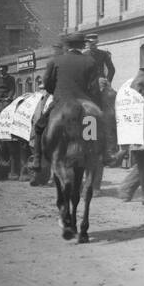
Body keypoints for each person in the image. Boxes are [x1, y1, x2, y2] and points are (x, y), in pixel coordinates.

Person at [29, 32, 102, 183]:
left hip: (61, 102)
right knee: (94, 134)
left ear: (67, 45)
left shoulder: (55, 61)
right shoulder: (90, 61)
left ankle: (37, 159)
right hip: (84, 105)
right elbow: (94, 89)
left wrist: (56, 93)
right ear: (82, 45)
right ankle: (102, 156)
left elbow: (48, 84)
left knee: (39, 126)